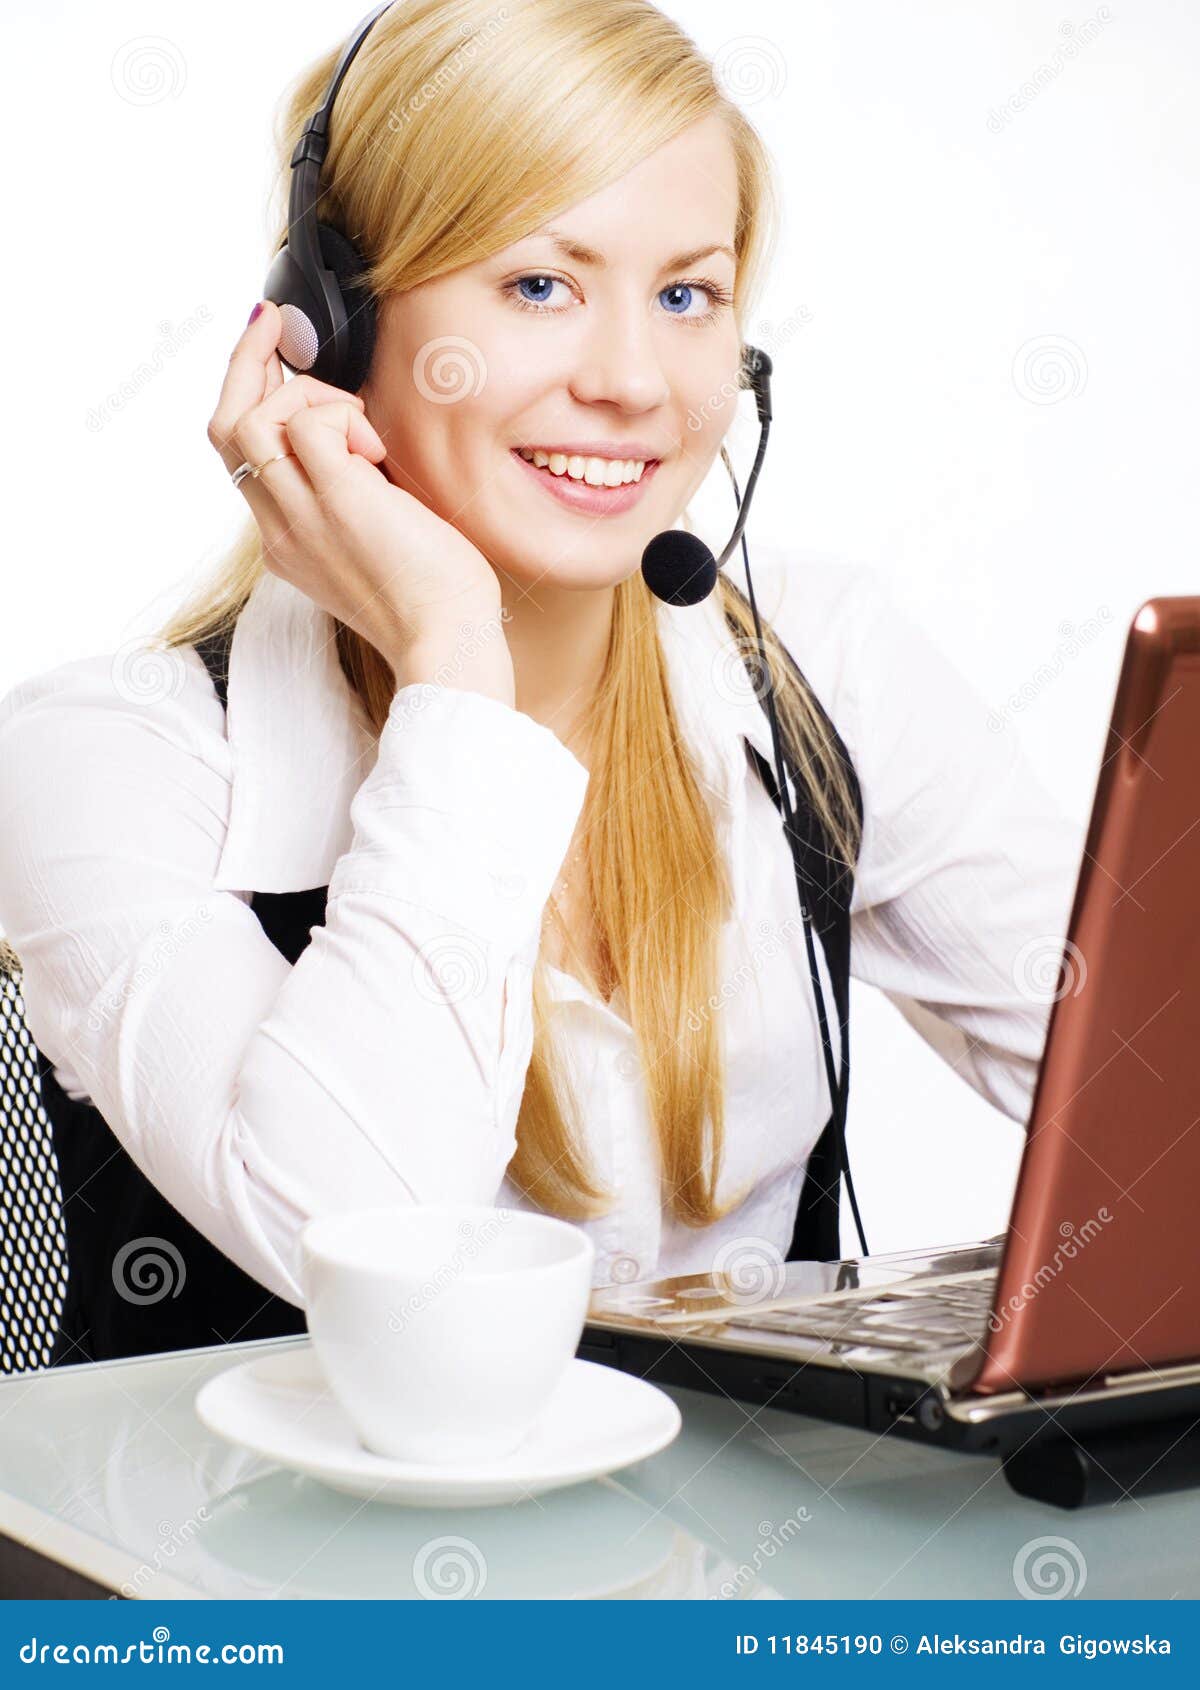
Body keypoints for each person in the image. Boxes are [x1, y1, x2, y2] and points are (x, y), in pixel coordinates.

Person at [0, 0, 1080, 1362]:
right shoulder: (109, 758)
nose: (635, 381)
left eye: (686, 294)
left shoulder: (817, 663)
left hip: (747, 1572)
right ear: (331, 326)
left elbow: (1148, 1090)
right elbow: (365, 1240)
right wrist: (456, 657)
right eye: (539, 286)